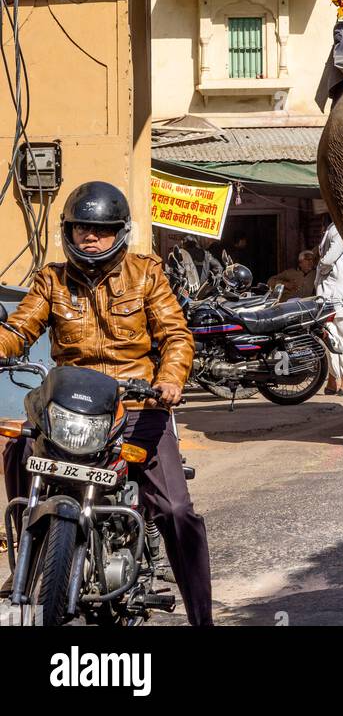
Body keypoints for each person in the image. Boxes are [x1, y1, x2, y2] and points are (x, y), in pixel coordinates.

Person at [0, 181, 213, 627]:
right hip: (70, 405)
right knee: (18, 450)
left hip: (136, 407)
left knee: (176, 510)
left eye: (101, 230)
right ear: (69, 232)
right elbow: (19, 329)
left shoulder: (146, 275)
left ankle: (202, 617)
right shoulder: (51, 280)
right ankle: (29, 552)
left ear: (119, 232)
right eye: (81, 229)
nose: (90, 238)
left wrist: (170, 380)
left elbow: (175, 335)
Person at [310, 223, 343, 395]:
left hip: (328, 291)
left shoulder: (331, 229)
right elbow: (329, 259)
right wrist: (321, 268)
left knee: (331, 338)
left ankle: (332, 382)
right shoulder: (340, 228)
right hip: (340, 291)